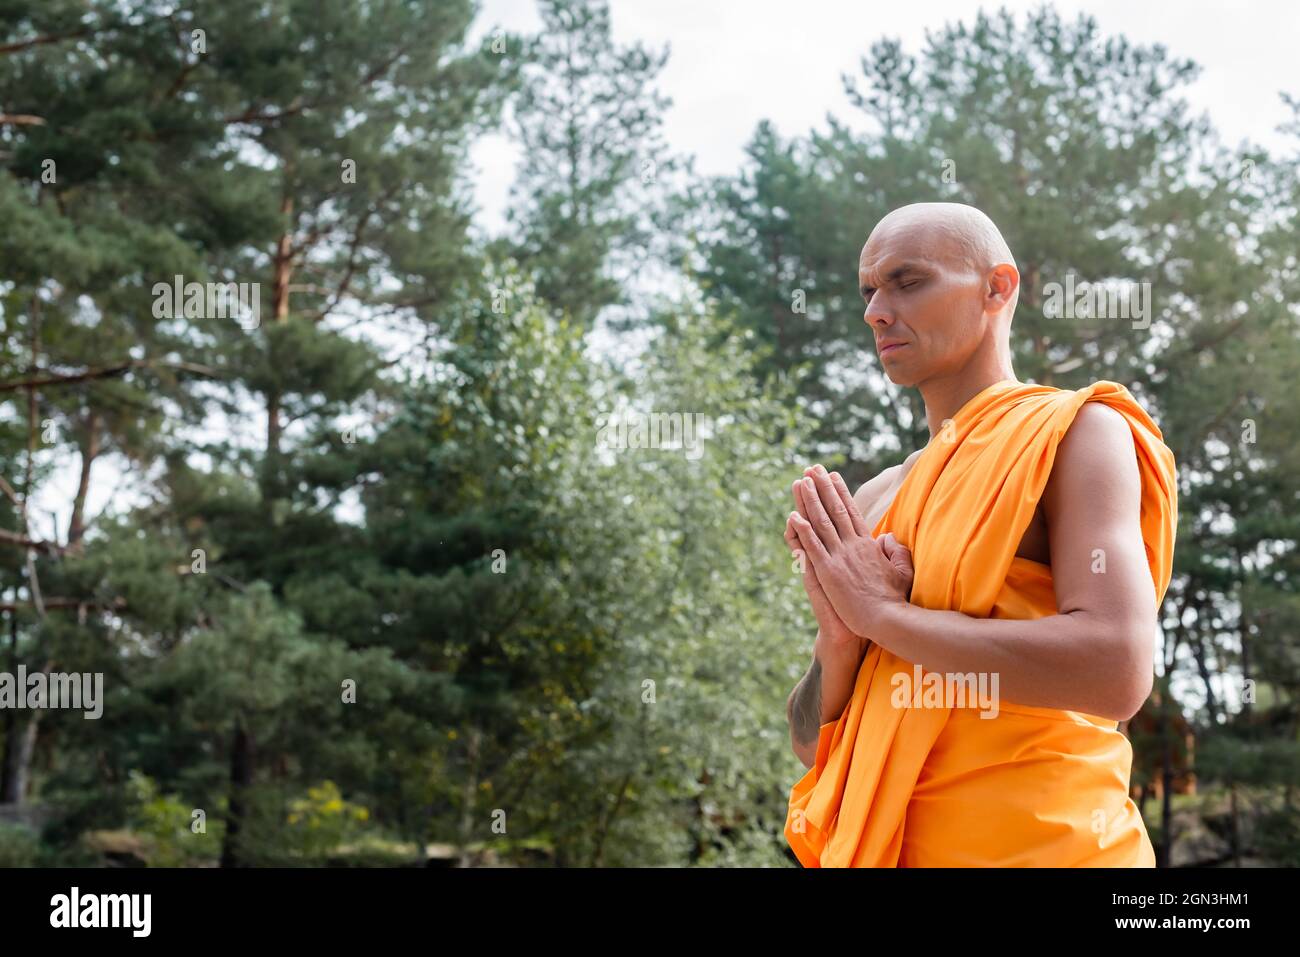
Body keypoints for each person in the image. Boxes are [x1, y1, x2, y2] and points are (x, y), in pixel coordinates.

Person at [782, 202, 1177, 867]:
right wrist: (843, 636)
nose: (877, 310)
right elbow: (811, 744)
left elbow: (1116, 667)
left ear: (998, 286)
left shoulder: (1074, 433)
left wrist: (886, 615)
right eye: (868, 290)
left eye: (908, 281)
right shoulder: (875, 495)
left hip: (1050, 848)